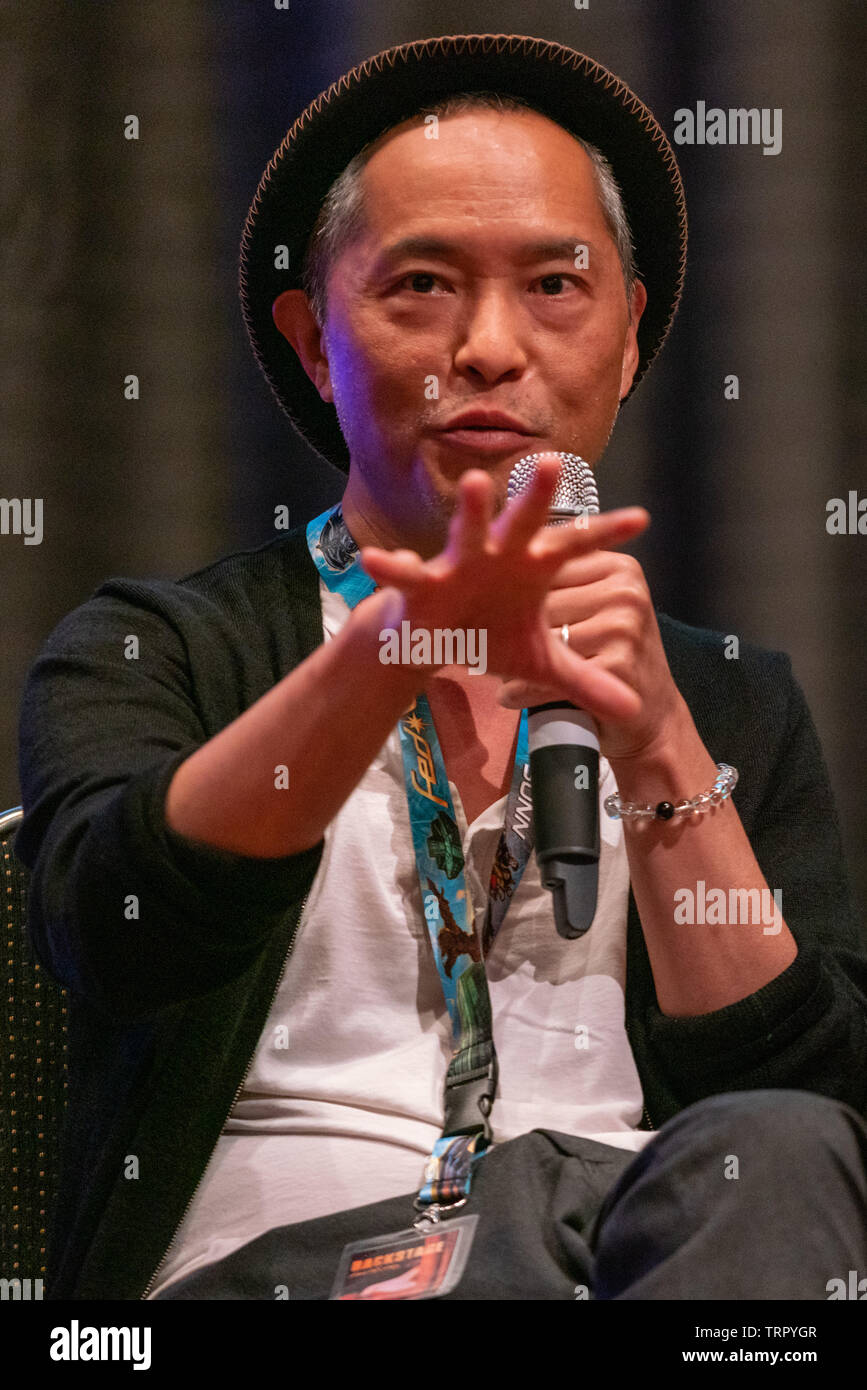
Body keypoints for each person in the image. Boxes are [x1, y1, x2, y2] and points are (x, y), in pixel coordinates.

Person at [15, 34, 867, 1302]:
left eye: (555, 288)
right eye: (420, 284)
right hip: (266, 1276)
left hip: (614, 1256)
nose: (488, 346)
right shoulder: (162, 647)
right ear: (314, 341)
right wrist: (394, 644)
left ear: (630, 338)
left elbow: (798, 1122)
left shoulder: (729, 695)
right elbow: (120, 926)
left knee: (789, 1155)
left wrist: (656, 744)